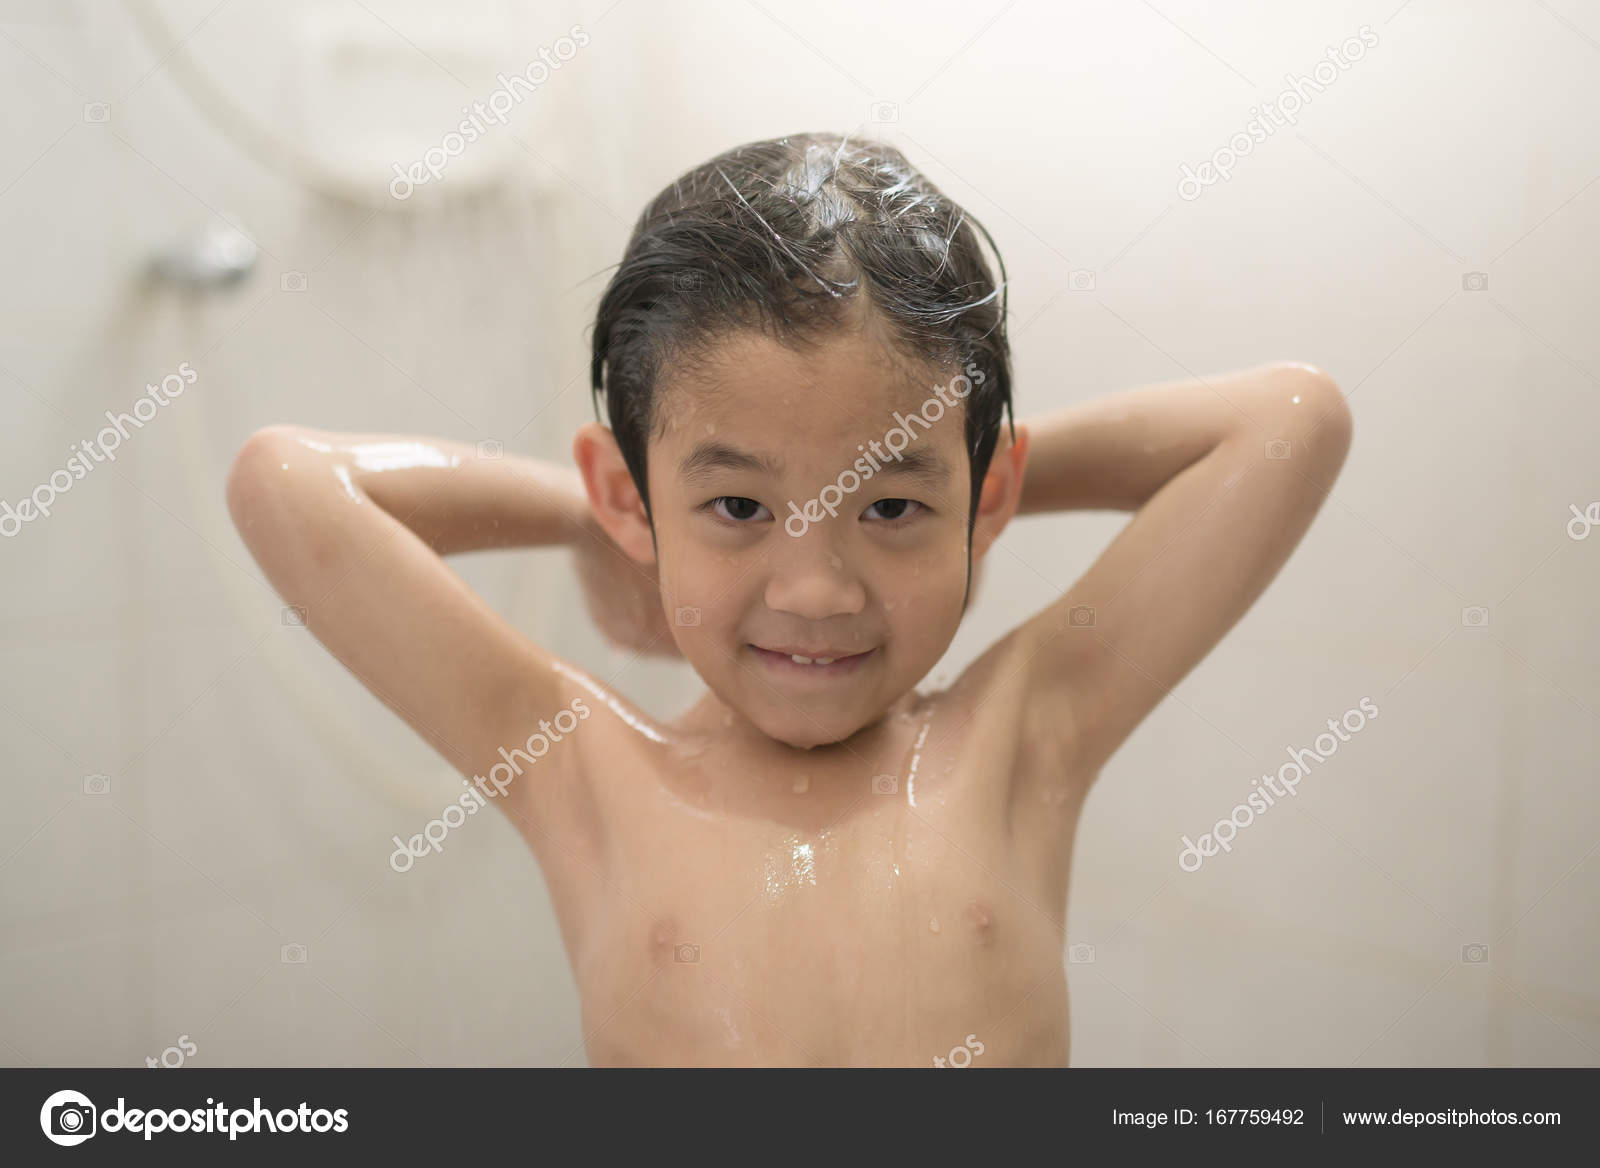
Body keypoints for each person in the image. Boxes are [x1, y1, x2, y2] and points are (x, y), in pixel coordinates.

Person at [225, 132, 1352, 1066]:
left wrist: (944, 474)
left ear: (988, 491)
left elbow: (1290, 424)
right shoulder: (579, 771)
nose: (816, 590)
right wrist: (616, 518)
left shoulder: (1021, 740)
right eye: (739, 508)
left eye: (891, 513)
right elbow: (286, 484)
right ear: (627, 496)